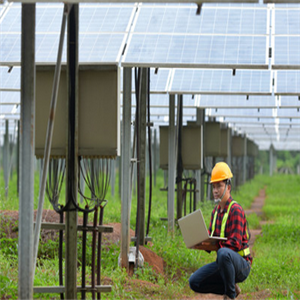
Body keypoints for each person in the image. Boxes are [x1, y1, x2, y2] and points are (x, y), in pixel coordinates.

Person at [189, 162, 252, 300]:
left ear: (228, 187)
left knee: (223, 253)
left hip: (241, 265)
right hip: (224, 262)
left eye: (219, 186)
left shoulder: (236, 210)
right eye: (213, 186)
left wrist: (217, 246)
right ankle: (232, 287)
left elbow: (234, 244)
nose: (215, 190)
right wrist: (200, 244)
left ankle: (229, 296)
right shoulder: (215, 212)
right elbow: (214, 242)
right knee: (194, 281)